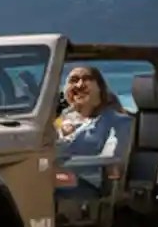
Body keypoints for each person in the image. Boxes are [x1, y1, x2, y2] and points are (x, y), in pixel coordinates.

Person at [53, 65, 134, 204]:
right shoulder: (61, 119)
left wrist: (67, 170)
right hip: (52, 176)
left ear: (100, 88)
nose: (79, 85)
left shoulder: (117, 121)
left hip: (88, 185)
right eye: (73, 80)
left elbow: (112, 159)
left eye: (87, 79)